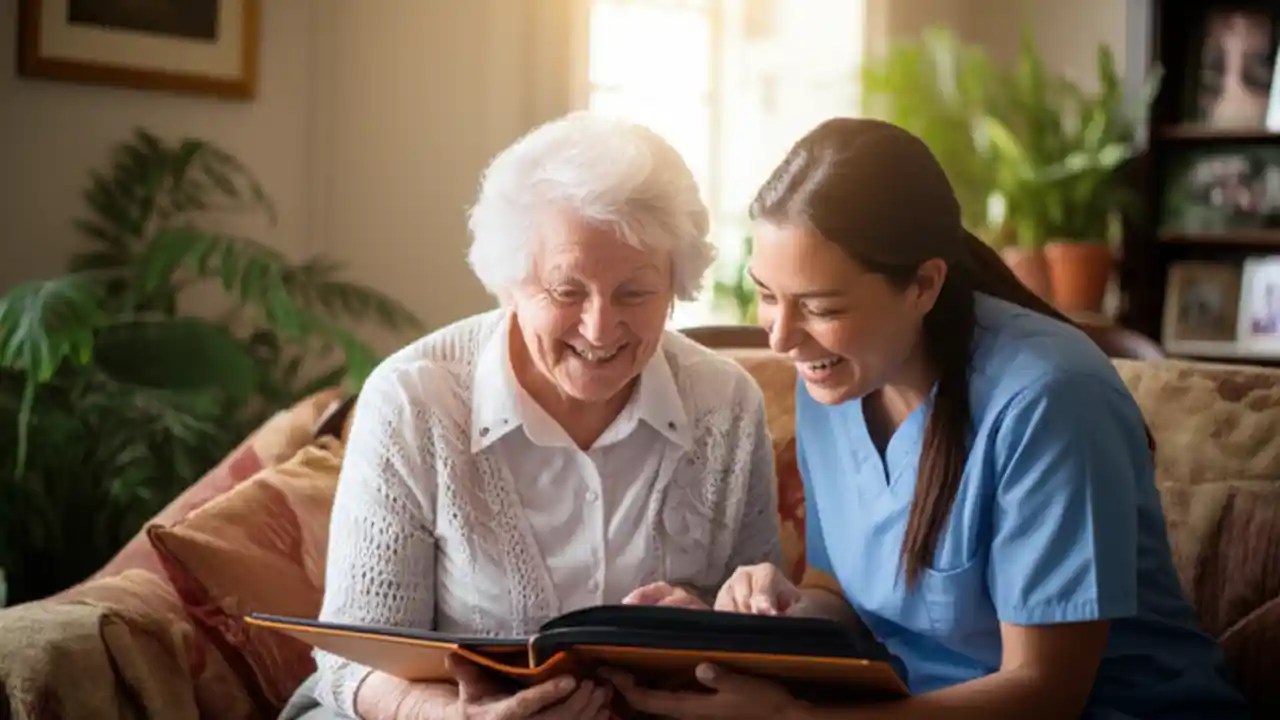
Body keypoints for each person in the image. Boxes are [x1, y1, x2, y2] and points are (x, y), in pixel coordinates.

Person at [605, 118, 1251, 719]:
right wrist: (759, 620)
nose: (780, 338)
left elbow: (1046, 692)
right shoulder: (833, 377)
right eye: (767, 295)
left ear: (923, 285)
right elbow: (844, 599)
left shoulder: (1049, 400)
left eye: (820, 306)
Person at [280, 111, 782, 720]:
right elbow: (352, 660)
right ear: (511, 283)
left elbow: (761, 633)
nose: (600, 328)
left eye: (636, 293)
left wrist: (710, 627)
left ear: (677, 282)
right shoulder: (414, 401)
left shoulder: (727, 405)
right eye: (567, 292)